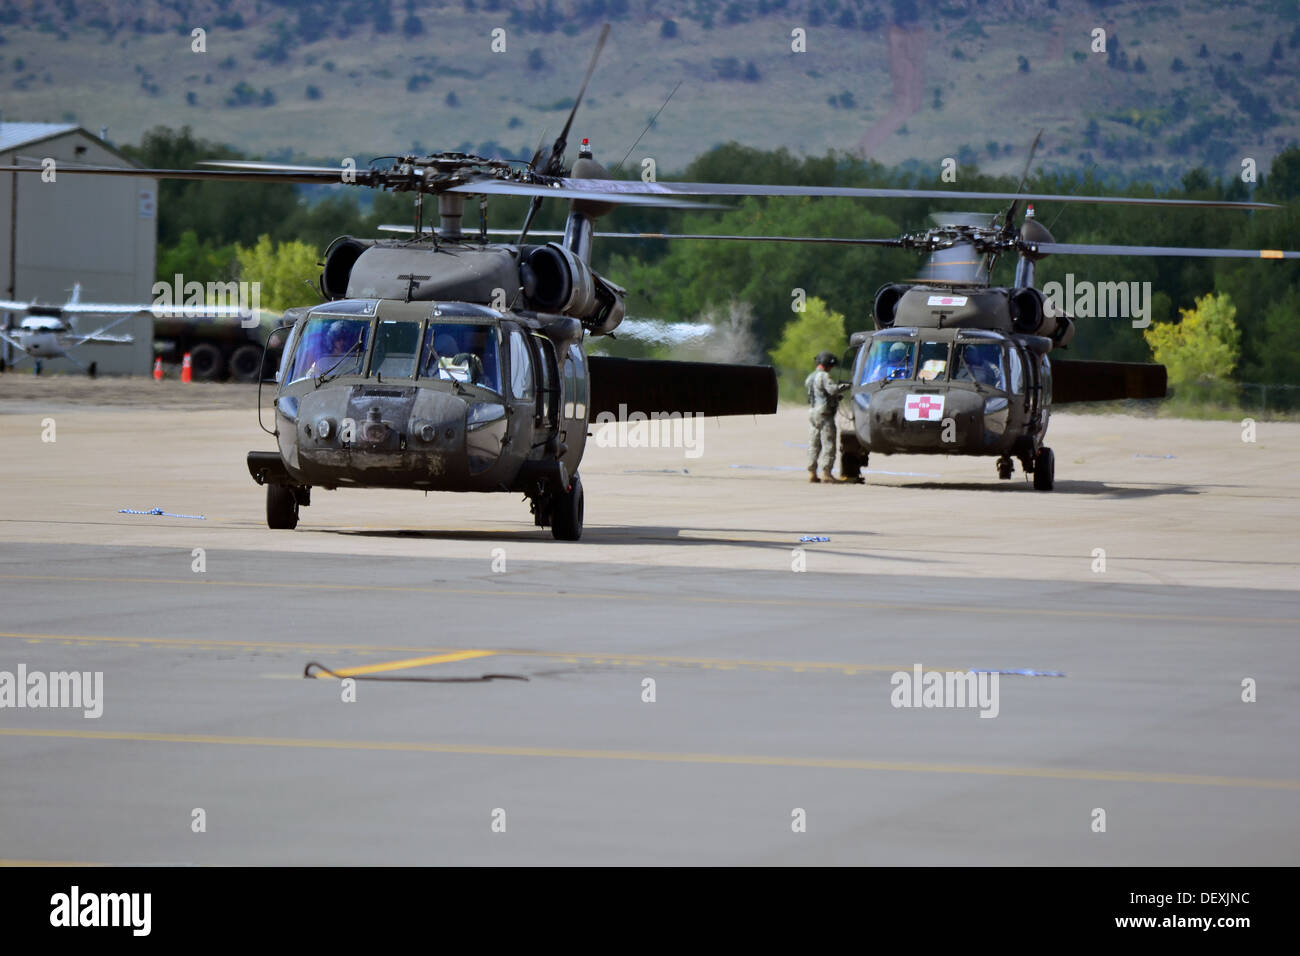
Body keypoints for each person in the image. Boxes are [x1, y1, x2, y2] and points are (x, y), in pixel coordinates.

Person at [805, 350, 847, 483]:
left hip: (813, 413)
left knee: (814, 443)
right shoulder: (824, 376)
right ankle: (826, 473)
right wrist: (844, 387)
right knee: (828, 443)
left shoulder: (810, 377)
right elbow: (832, 390)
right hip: (824, 413)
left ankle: (812, 472)